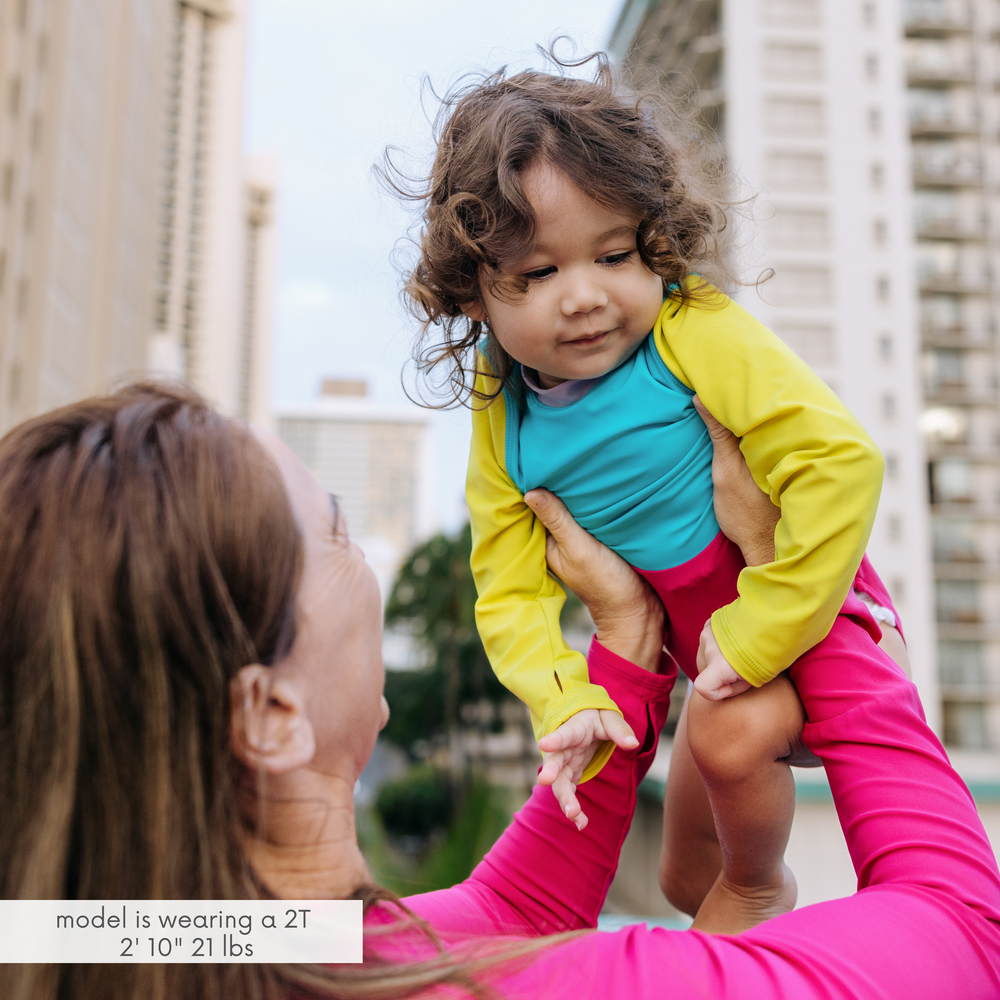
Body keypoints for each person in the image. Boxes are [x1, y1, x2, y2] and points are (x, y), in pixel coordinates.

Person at [1, 382, 999, 1000]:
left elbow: (512, 906)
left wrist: (622, 651)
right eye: (338, 529)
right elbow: (960, 930)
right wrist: (805, 586)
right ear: (269, 715)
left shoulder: (135, 941)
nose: (366, 561)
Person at [397, 54, 904, 931]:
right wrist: (567, 696)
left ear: (653, 240)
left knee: (722, 746)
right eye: (537, 274)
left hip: (818, 621)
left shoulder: (688, 327)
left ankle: (761, 888)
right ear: (475, 294)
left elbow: (840, 459)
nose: (584, 296)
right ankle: (730, 885)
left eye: (613, 253)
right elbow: (509, 587)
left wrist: (761, 626)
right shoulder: (503, 409)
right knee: (680, 881)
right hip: (704, 661)